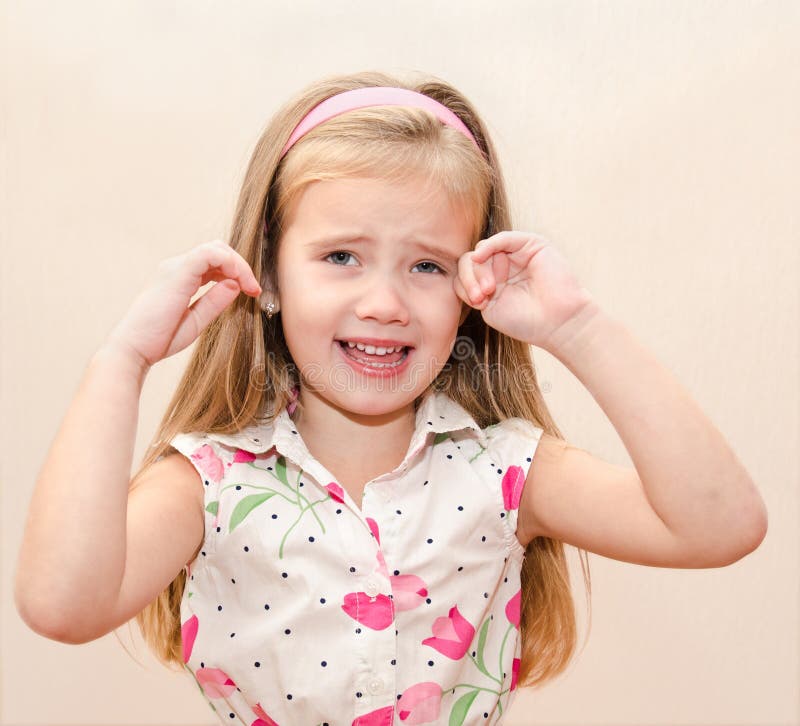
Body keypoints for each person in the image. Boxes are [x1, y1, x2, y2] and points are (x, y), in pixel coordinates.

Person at [14, 70, 768, 726]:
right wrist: (122, 360)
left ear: (471, 292)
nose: (384, 302)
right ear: (271, 274)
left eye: (428, 267)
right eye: (341, 256)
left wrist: (577, 326)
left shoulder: (504, 474)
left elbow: (719, 526)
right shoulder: (209, 485)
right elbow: (61, 604)